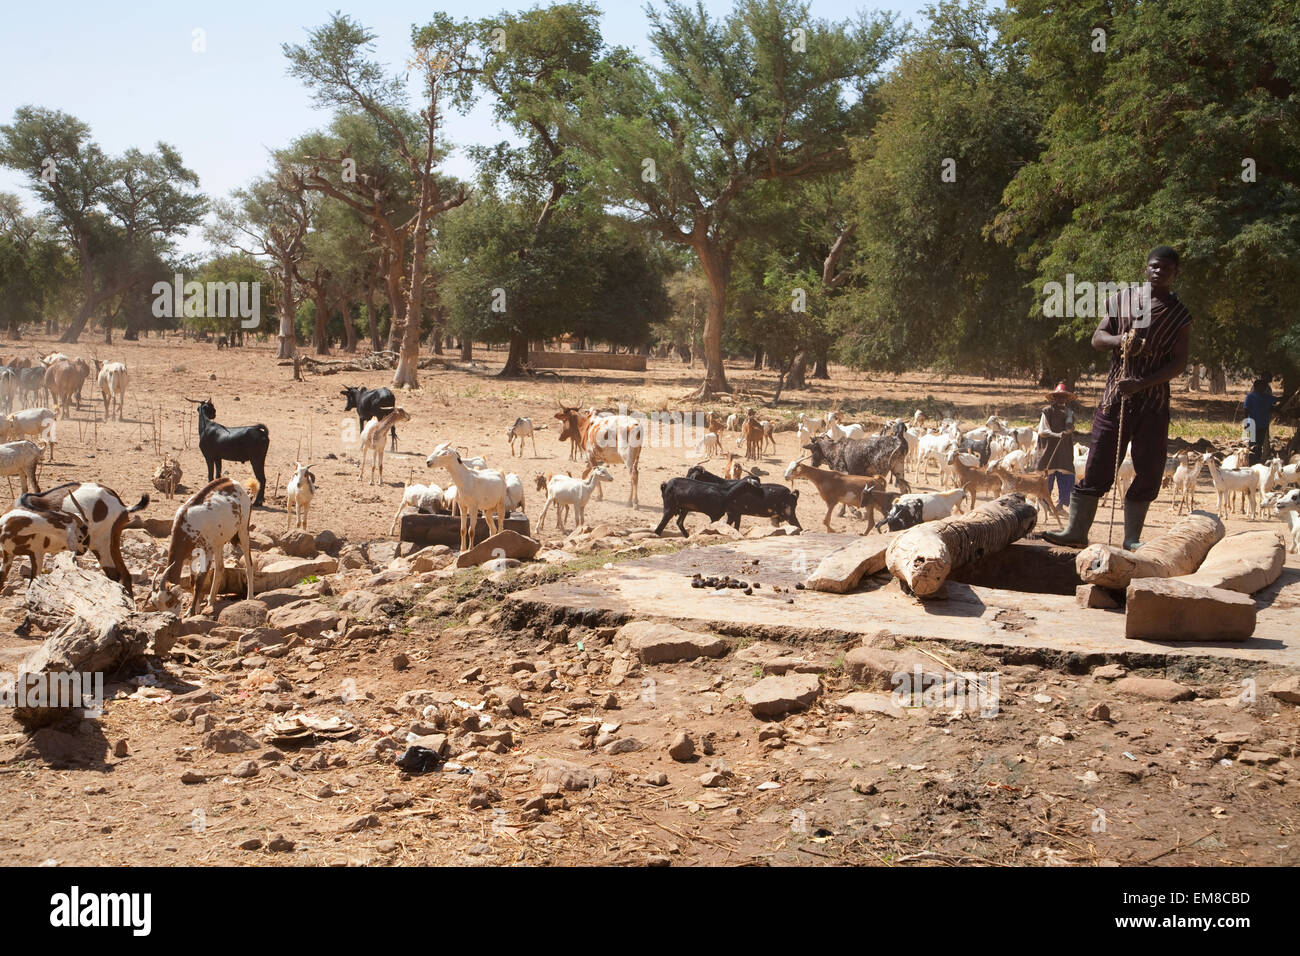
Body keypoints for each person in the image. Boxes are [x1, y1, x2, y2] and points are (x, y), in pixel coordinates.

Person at [1044, 246, 1192, 550]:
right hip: (1115, 397)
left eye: (1165, 268)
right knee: (1098, 462)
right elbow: (1097, 338)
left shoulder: (1180, 315)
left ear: (1175, 273)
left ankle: (1132, 539)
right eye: (1154, 266)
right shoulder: (1123, 299)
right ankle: (1076, 532)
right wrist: (1121, 340)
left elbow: (1179, 363)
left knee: (1149, 467)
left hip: (1152, 401)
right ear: (1145, 267)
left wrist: (1143, 383)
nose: (1158, 271)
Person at [1036, 383, 1077, 507]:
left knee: (1067, 476)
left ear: (1067, 398)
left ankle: (1061, 505)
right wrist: (1057, 435)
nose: (1061, 399)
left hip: (1064, 450)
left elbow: (1069, 427)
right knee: (1047, 476)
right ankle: (1045, 505)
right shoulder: (1047, 411)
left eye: (1063, 396)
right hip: (1048, 450)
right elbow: (1042, 431)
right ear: (1054, 397)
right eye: (1058, 396)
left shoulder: (1069, 412)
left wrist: (1069, 430)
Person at [1244, 378, 1277, 465]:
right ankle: (1251, 462)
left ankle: (1257, 460)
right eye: (1262, 387)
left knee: (1260, 444)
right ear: (1256, 387)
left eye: (1265, 387)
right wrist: (1246, 422)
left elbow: (1276, 400)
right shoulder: (1250, 397)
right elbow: (1246, 410)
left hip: (1263, 424)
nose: (1264, 389)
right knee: (1252, 444)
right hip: (1252, 424)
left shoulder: (1266, 397)